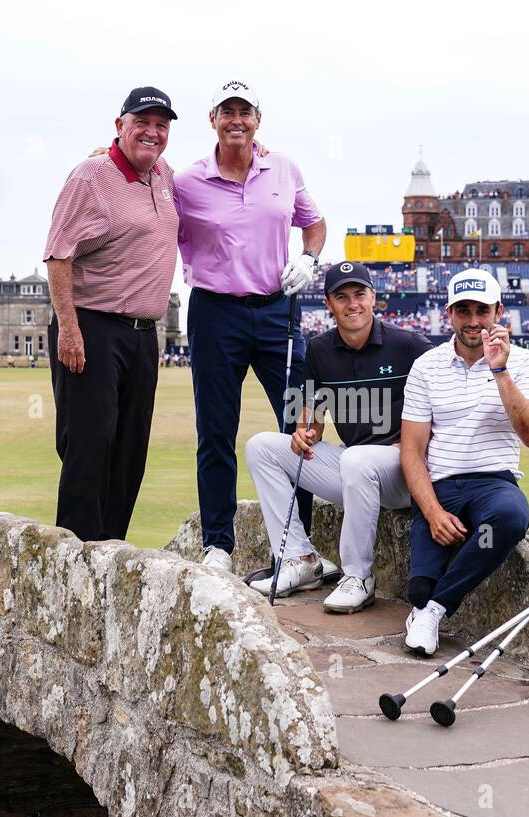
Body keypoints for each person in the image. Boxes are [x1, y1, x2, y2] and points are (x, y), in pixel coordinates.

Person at [175, 79, 327, 571]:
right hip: (215, 312)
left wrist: (310, 257)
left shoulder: (283, 168)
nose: (236, 119)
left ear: (257, 119)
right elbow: (152, 213)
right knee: (215, 430)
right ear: (212, 119)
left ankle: (298, 548)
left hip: (277, 308)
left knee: (298, 424)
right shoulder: (186, 181)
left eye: (244, 111)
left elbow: (315, 222)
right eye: (227, 111)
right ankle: (218, 544)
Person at [244, 262, 434, 612]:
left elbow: (448, 400)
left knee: (355, 457)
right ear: (329, 304)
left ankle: (358, 576)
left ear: (373, 297)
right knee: (261, 447)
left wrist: (413, 445)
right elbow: (312, 417)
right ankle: (300, 559)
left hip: (404, 473)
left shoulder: (409, 345)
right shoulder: (318, 349)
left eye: (359, 294)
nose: (352, 304)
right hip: (353, 470)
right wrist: (305, 432)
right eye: (341, 297)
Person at [42, 86, 180, 542]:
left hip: (143, 335)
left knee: (130, 448)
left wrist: (247, 147)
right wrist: (69, 329)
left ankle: (111, 551)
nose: (152, 132)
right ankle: (77, 557)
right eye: (142, 122)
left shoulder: (163, 175)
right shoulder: (90, 176)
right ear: (119, 126)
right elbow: (58, 254)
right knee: (90, 442)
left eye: (161, 125)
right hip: (92, 325)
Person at [399, 269, 529, 656]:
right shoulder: (427, 366)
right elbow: (412, 450)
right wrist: (432, 512)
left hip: (493, 484)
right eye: (463, 311)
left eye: (482, 310)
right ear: (449, 314)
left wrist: (500, 370)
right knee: (419, 585)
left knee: (510, 518)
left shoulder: (524, 362)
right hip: (442, 486)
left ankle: (434, 611)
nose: (473, 321)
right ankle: (427, 600)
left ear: (498, 311)